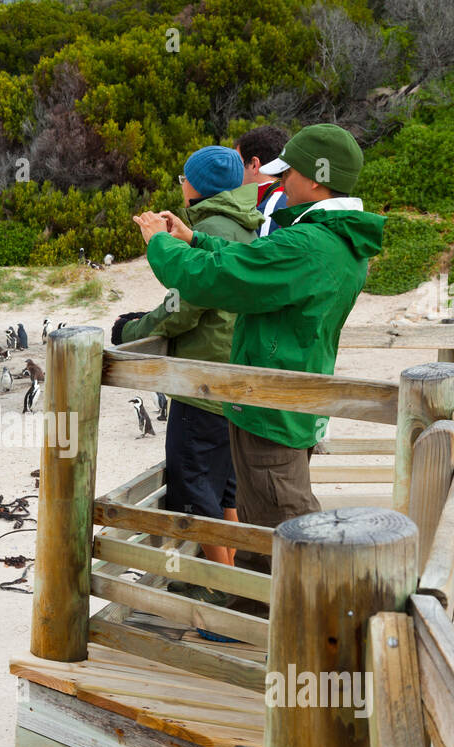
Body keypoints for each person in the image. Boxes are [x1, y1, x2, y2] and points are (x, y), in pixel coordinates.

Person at [131, 124, 385, 616]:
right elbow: (253, 264)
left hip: (271, 406)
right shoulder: (335, 240)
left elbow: (218, 280)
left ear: (316, 179)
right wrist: (197, 239)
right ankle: (251, 617)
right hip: (285, 399)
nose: (280, 181)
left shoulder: (310, 243)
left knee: (286, 521)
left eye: (287, 172)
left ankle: (322, 620)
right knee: (258, 520)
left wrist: (160, 245)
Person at [110, 146, 266, 606]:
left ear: (195, 185)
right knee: (226, 488)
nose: (181, 184)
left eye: (183, 177)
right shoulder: (244, 223)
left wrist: (135, 329)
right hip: (236, 379)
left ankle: (226, 590)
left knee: (194, 485)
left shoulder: (212, 228)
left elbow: (186, 304)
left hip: (202, 383)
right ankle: (232, 573)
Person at [235, 125, 289, 237]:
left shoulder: (269, 211)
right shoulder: (294, 197)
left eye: (237, 162)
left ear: (254, 165)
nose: (233, 169)